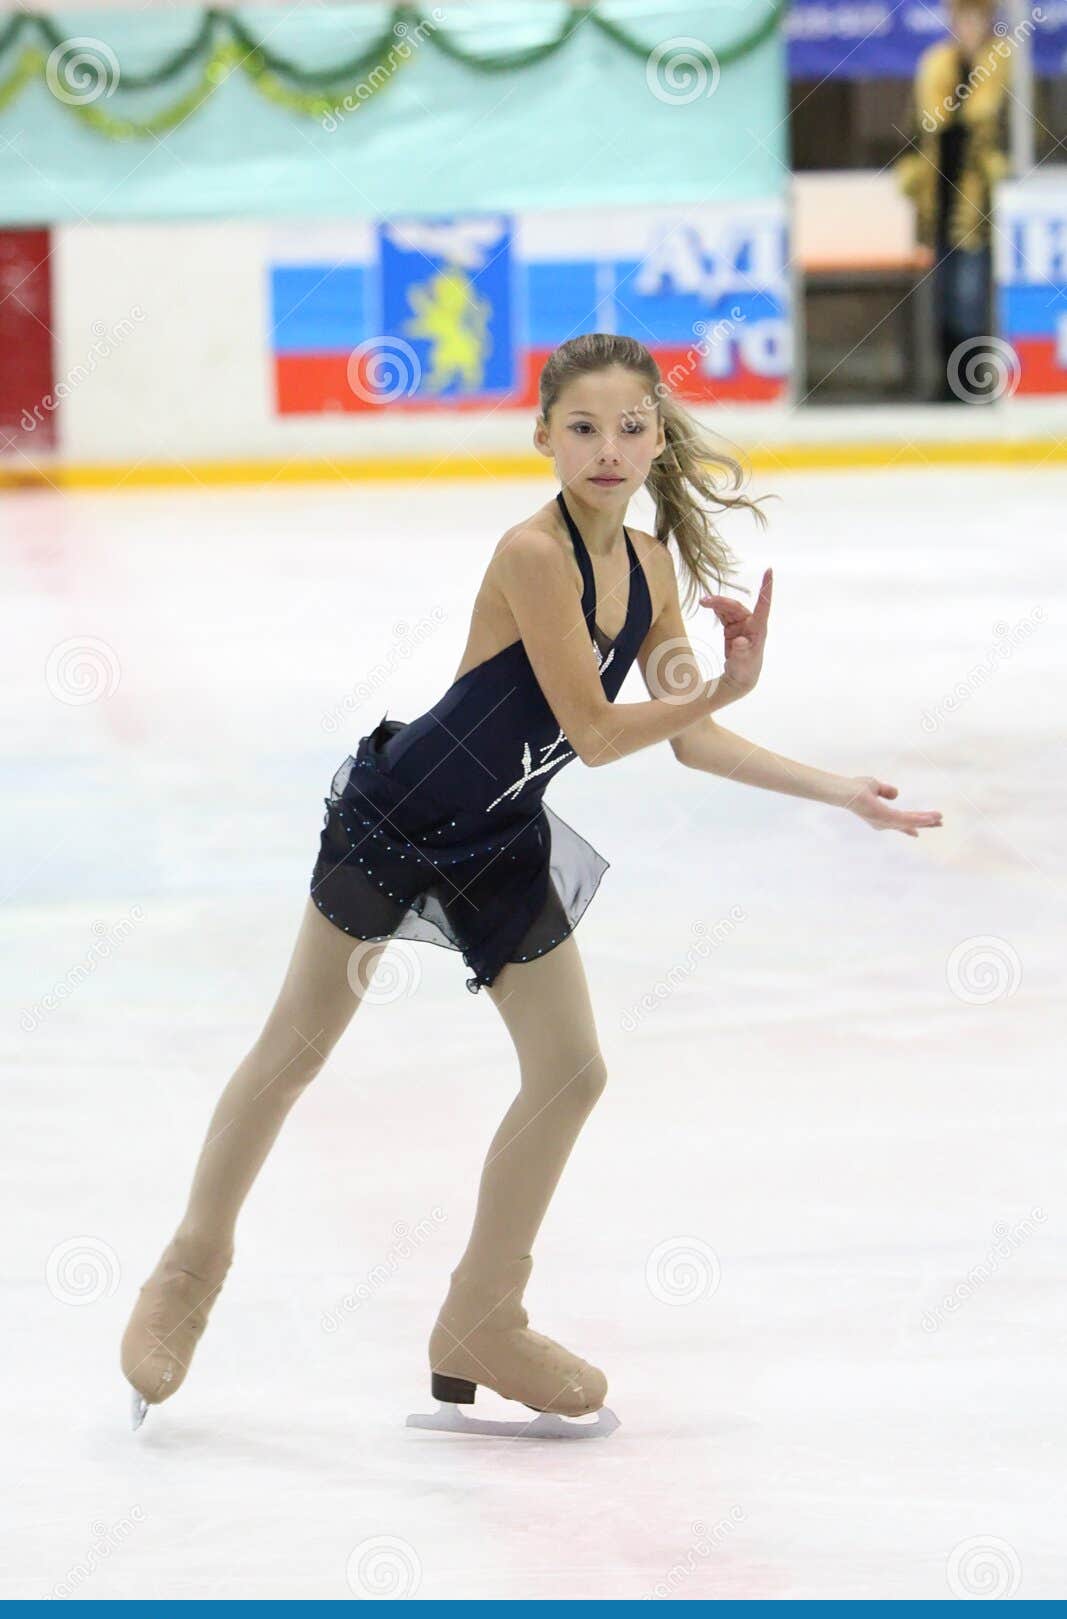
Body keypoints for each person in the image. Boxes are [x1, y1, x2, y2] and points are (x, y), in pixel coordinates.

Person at [120, 332, 942, 1436]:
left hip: (499, 834)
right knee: (294, 1052)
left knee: (571, 1070)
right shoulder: (531, 555)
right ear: (544, 435)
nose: (608, 450)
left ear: (657, 435)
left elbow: (694, 741)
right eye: (584, 428)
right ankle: (187, 1270)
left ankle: (480, 1320)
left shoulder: (653, 569)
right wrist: (721, 688)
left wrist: (840, 788)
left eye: (631, 428)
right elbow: (600, 734)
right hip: (399, 821)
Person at [897, 0, 1011, 400]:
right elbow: (916, 130)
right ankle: (948, 385)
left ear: (989, 20)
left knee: (971, 297)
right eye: (962, 18)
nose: (969, 27)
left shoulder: (1002, 66)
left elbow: (1016, 135)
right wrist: (909, 175)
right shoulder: (936, 65)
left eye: (977, 19)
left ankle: (973, 386)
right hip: (937, 202)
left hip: (981, 210)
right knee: (943, 298)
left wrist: (1002, 168)